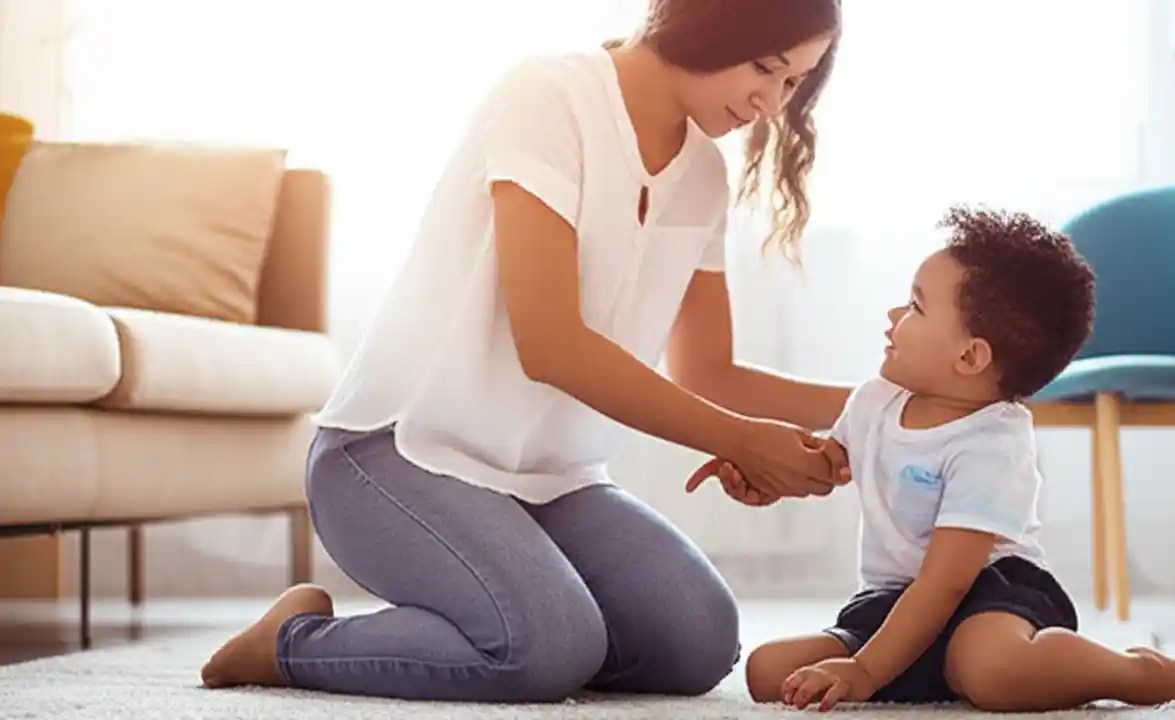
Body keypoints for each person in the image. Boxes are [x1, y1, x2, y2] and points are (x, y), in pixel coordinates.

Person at [200, 0, 855, 704]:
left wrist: (885, 405)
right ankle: (290, 645)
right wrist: (740, 442)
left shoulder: (702, 175)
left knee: (695, 640)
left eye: (794, 84)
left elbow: (708, 373)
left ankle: (514, 626)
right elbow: (551, 346)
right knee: (542, 649)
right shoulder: (551, 97)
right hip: (392, 454)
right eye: (766, 68)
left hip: (547, 482)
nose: (771, 103)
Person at [692, 207, 1175, 713]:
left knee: (989, 669)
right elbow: (831, 464)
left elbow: (948, 581)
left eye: (916, 307)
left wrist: (866, 672)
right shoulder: (875, 401)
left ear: (970, 356)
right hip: (894, 599)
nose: (894, 315)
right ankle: (927, 670)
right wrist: (760, 476)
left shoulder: (993, 445)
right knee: (769, 672)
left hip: (990, 596)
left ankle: (1131, 672)